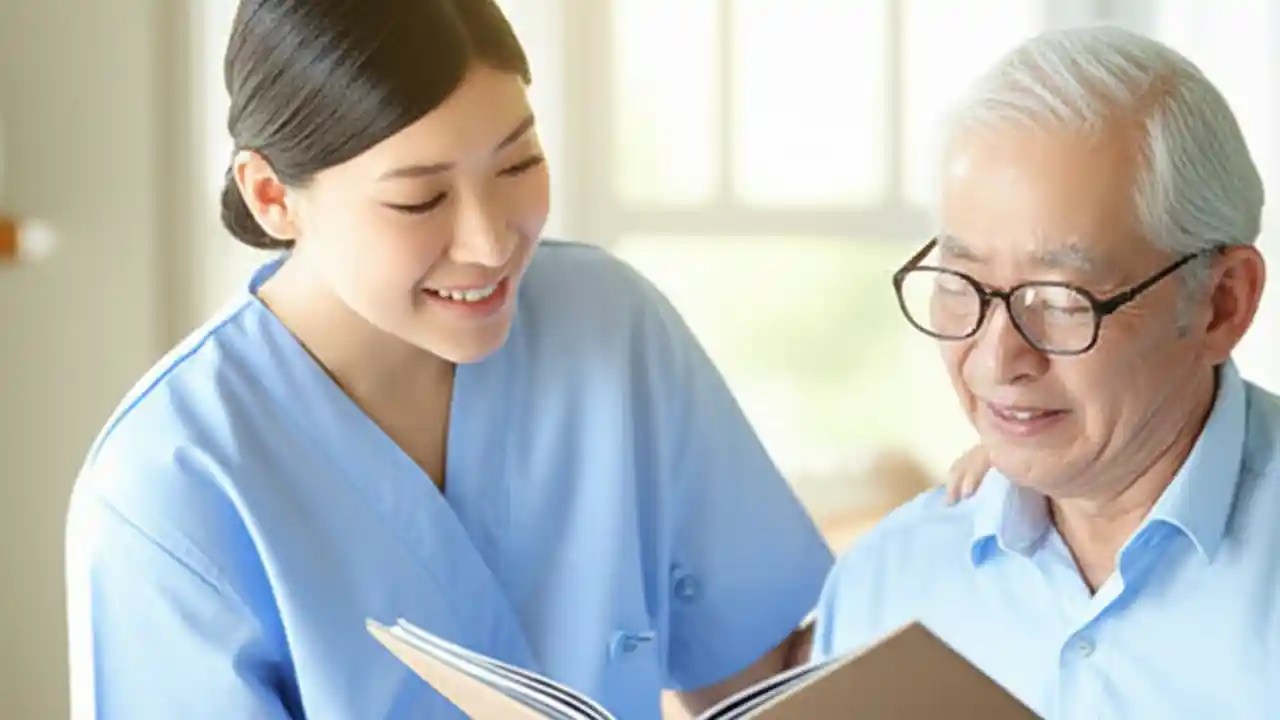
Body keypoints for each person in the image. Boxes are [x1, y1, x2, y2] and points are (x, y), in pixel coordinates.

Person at [812, 25, 1277, 719]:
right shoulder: (885, 585)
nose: (997, 360)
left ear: (1220, 304)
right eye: (961, 284)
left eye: (1061, 300)